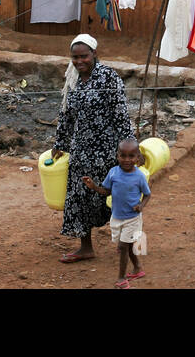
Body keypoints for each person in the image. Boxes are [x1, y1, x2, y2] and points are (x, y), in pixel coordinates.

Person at [50, 34, 135, 264]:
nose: (79, 61)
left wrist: (130, 146)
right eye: (75, 57)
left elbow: (120, 115)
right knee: (79, 198)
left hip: (106, 152)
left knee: (116, 198)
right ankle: (85, 248)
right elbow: (66, 114)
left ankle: (128, 243)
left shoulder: (109, 78)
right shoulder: (73, 79)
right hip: (80, 152)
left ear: (95, 54)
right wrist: (60, 143)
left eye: (84, 56)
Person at [82, 138, 151, 288]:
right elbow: (106, 191)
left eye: (131, 156)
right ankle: (138, 268)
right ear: (117, 155)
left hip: (132, 219)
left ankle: (121, 278)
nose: (127, 160)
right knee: (126, 244)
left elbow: (147, 194)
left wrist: (141, 205)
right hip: (117, 217)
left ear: (138, 157)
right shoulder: (113, 172)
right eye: (123, 155)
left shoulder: (139, 176)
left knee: (124, 247)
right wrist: (93, 186)